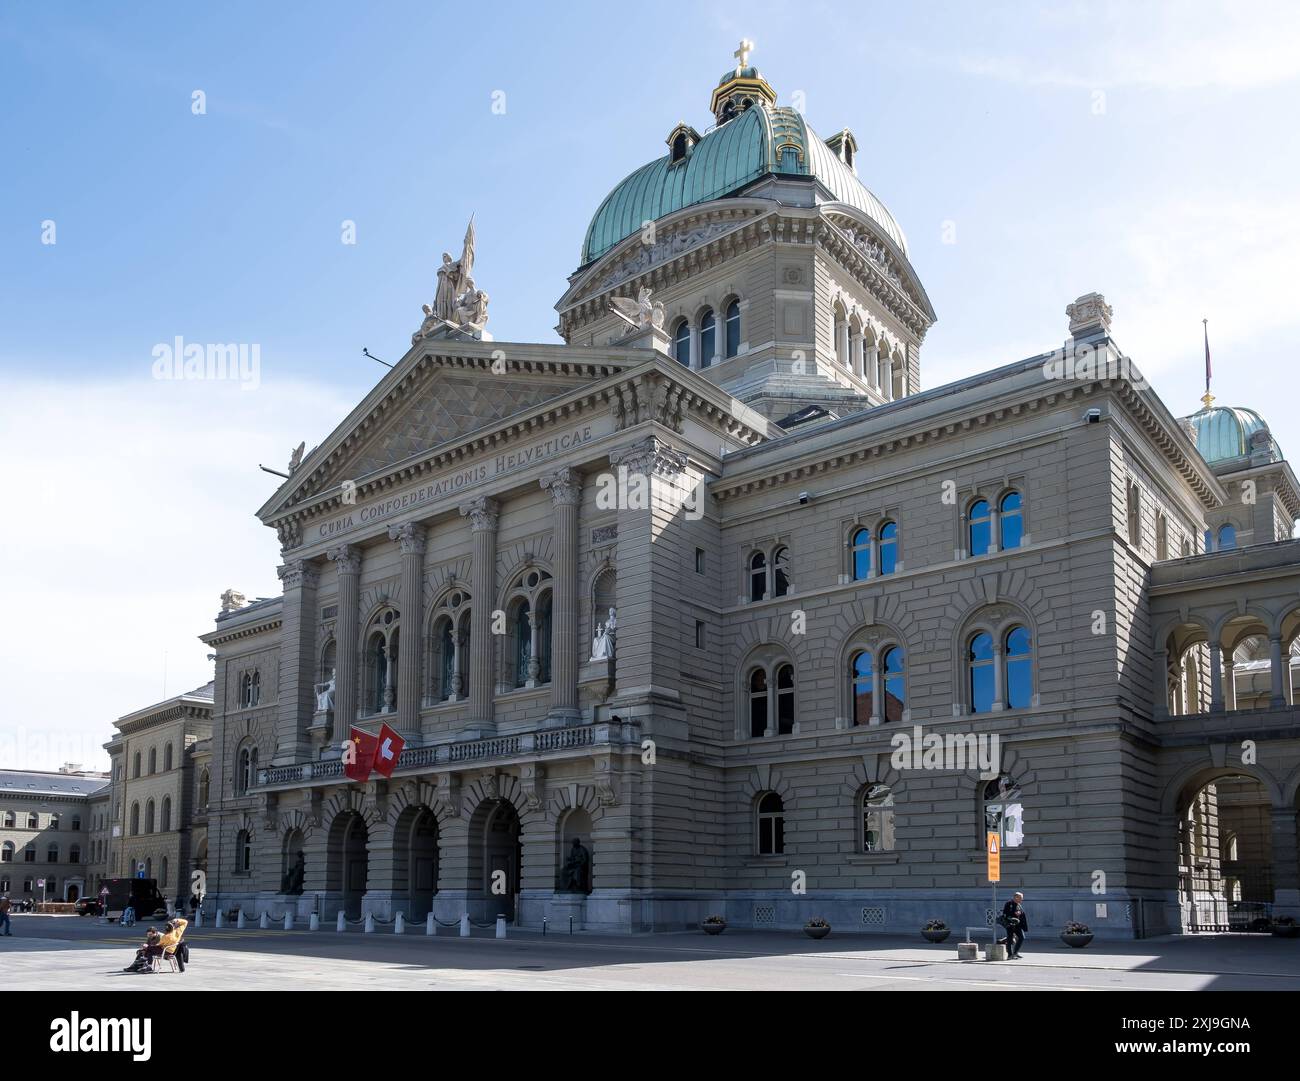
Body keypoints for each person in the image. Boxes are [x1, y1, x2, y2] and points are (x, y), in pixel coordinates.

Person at [1001, 891, 1028, 959]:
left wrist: (1020, 914)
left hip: (1018, 925)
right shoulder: (1008, 904)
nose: (1022, 900)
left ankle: (1015, 952)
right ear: (1016, 897)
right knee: (1010, 939)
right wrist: (1012, 917)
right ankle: (1010, 955)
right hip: (1010, 925)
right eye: (1021, 898)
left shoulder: (1019, 905)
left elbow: (1021, 914)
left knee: (1021, 937)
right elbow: (1005, 914)